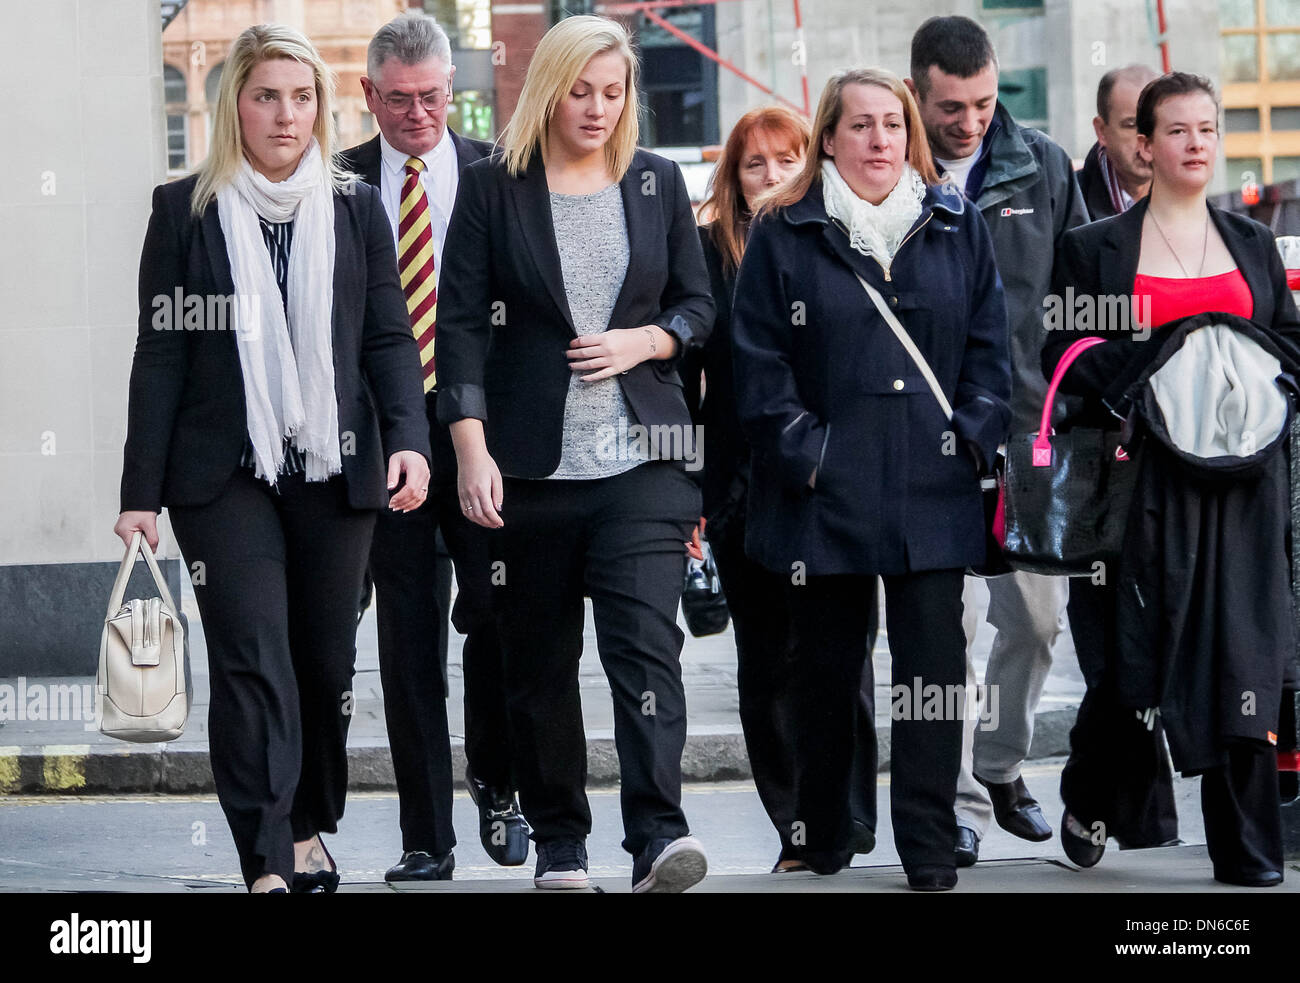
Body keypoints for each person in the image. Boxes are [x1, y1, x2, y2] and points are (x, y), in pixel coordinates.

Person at [114, 24, 431, 893]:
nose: (285, 115)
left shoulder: (357, 207)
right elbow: (161, 354)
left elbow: (387, 337)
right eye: (265, 96)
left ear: (320, 108)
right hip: (222, 474)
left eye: (301, 97)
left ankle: (308, 819)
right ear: (235, 107)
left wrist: (409, 440)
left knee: (324, 662)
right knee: (253, 657)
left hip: (339, 463)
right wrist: (140, 490)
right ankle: (270, 851)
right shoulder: (183, 210)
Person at [435, 14, 714, 893]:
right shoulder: (492, 189)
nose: (598, 107)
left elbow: (699, 309)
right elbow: (460, 326)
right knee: (540, 661)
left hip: (644, 462)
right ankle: (562, 843)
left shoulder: (658, 183)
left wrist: (647, 343)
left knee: (645, 650)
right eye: (581, 90)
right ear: (548, 89)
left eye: (614, 91)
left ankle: (658, 836)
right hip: (528, 468)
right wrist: (471, 449)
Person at [731, 67, 1011, 891]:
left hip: (934, 487)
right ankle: (823, 831)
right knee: (823, 676)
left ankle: (927, 841)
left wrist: (973, 431)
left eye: (892, 124)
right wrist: (808, 453)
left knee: (932, 678)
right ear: (828, 137)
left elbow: (993, 348)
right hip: (824, 494)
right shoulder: (785, 231)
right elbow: (757, 364)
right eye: (860, 126)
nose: (879, 139)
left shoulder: (957, 224)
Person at [1044, 72, 1300, 886]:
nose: (1196, 143)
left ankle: (1246, 850)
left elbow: (1289, 347)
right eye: (1177, 130)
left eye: (1208, 129)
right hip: (1138, 485)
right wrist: (1157, 355)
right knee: (1133, 666)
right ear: (1143, 146)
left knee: (1244, 656)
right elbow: (1061, 361)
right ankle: (1090, 793)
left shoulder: (1252, 244)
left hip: (1245, 485)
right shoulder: (1095, 250)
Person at [339, 9, 527, 882]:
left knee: (496, 620)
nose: (418, 115)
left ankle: (498, 781)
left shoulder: (501, 175)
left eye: (434, 98)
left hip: (484, 440)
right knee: (408, 644)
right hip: (387, 444)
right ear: (369, 95)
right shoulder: (335, 183)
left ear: (454, 92)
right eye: (400, 100)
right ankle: (427, 836)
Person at [906, 15, 1089, 866]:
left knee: (1038, 625)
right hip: (930, 447)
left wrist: (1073, 413)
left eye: (983, 102)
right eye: (951, 107)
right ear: (918, 92)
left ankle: (1002, 761)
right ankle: (958, 801)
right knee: (950, 631)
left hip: (1027, 442)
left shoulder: (1043, 164)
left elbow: (1083, 298)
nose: (970, 122)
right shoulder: (887, 169)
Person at [686, 105, 878, 872]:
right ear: (732, 178)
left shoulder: (839, 239)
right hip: (743, 485)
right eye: (753, 164)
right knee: (766, 663)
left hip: (832, 480)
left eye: (784, 159)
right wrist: (695, 496)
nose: (769, 176)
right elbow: (690, 376)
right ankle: (797, 825)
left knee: (842, 655)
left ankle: (848, 811)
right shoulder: (709, 253)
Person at [1079, 64, 1159, 221]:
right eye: (1131, 125)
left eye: (1155, 124)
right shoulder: (1068, 204)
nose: (1146, 139)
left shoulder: (1191, 203)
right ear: (1101, 131)